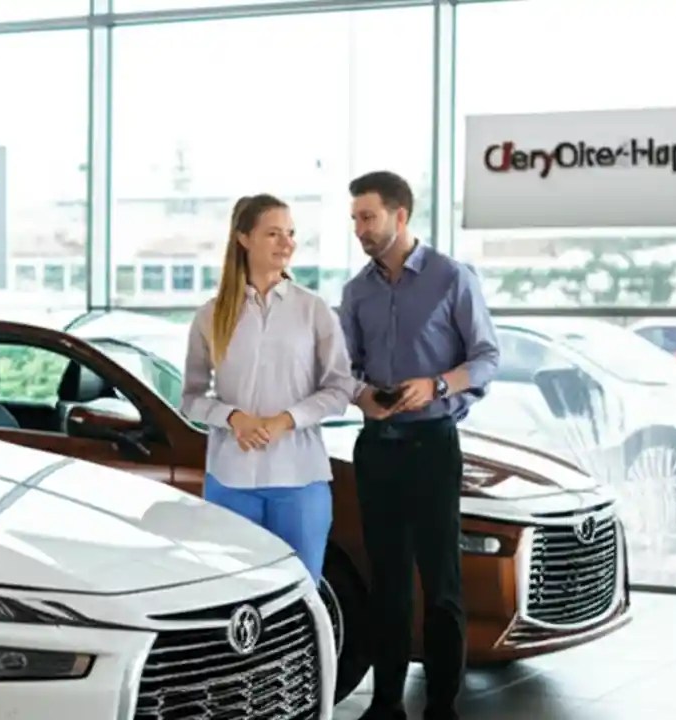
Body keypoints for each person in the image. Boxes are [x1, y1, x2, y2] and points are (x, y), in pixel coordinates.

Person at [338, 171, 499, 720]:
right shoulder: (356, 292)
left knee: (441, 582)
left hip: (432, 446)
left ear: (400, 215)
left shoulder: (452, 278)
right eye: (355, 219)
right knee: (387, 582)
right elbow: (345, 369)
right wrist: (363, 395)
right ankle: (385, 705)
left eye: (368, 217)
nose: (359, 229)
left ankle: (441, 707)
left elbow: (487, 356)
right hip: (376, 447)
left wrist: (437, 386)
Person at [180, 193, 356, 583]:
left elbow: (340, 388)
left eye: (290, 233)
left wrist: (285, 420)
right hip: (230, 480)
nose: (286, 243)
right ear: (243, 238)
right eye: (273, 233)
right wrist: (232, 418)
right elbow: (190, 398)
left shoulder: (313, 310)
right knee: (233, 592)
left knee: (300, 592)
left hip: (300, 480)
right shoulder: (210, 316)